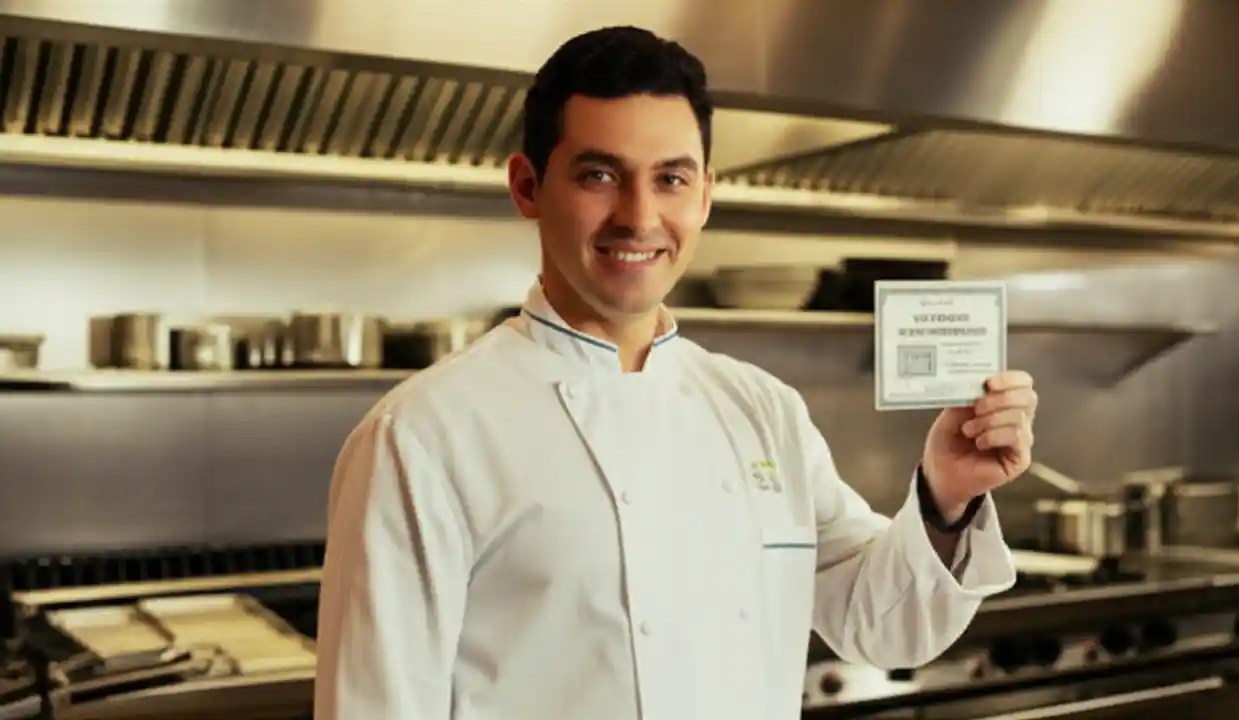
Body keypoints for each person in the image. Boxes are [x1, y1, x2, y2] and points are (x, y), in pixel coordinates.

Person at [314, 25, 1036, 720]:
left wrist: (948, 497)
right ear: (528, 186)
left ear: (705, 195)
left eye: (670, 179)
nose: (639, 216)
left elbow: (883, 626)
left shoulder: (762, 409)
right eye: (599, 175)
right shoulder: (423, 437)